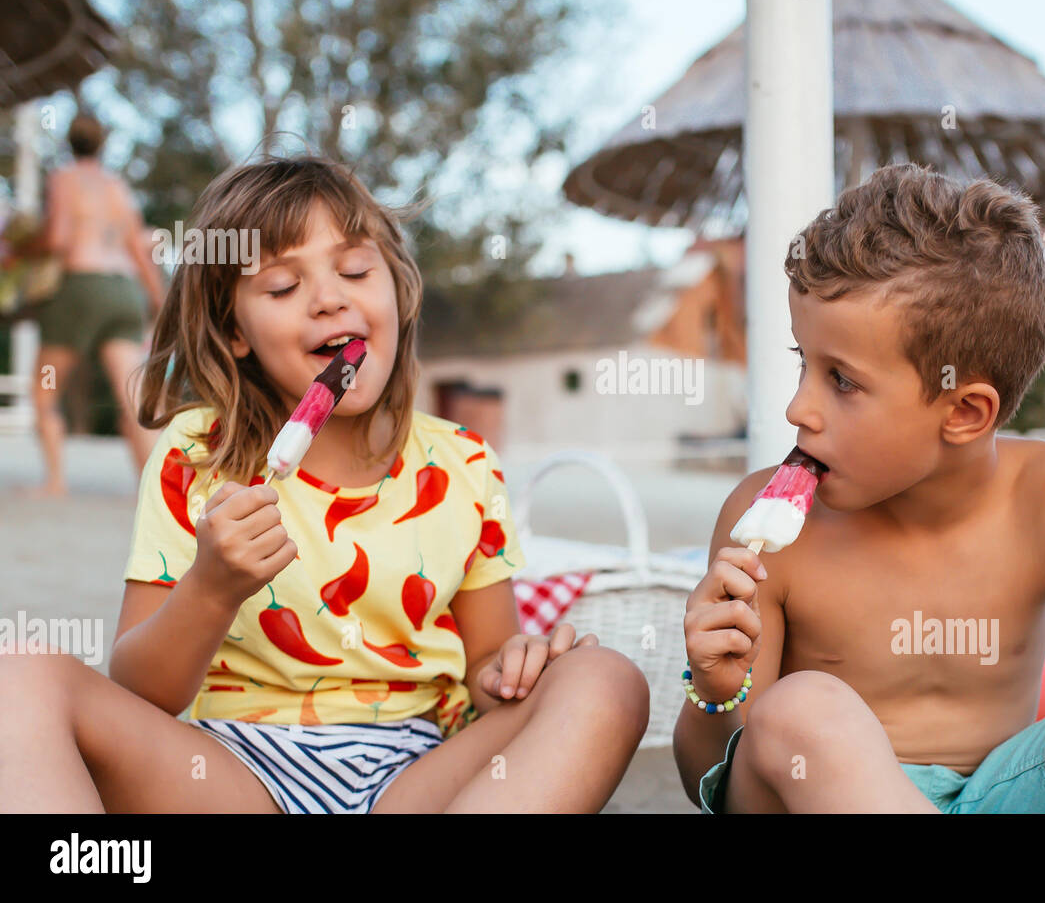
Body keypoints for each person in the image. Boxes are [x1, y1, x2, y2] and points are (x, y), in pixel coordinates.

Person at [0, 156, 649, 812]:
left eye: (356, 271)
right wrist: (211, 588)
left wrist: (517, 667)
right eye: (282, 287)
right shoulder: (197, 454)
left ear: (395, 288)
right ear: (235, 332)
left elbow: (488, 663)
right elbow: (142, 691)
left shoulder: (466, 462)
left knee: (606, 679)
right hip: (232, 775)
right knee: (17, 675)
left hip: (417, 778)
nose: (330, 297)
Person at [674, 164, 1045, 813]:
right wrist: (715, 693)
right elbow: (713, 782)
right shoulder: (762, 523)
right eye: (805, 362)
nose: (799, 409)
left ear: (964, 412)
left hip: (1007, 790)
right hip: (832, 793)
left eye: (843, 381)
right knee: (799, 710)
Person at [27, 114, 165, 494]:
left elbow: (56, 239)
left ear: (68, 143)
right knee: (131, 397)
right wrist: (158, 298)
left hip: (80, 288)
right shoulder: (117, 186)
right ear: (103, 144)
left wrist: (21, 249)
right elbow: (138, 247)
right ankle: (151, 488)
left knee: (45, 390)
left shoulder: (64, 178)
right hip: (122, 294)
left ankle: (54, 481)